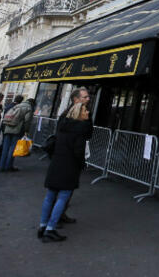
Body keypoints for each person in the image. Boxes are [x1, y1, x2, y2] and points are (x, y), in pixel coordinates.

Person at [38, 89, 93, 242]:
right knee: (63, 197)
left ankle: (43, 225)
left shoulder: (63, 125)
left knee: (50, 196)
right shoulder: (80, 130)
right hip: (69, 165)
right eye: (85, 97)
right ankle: (51, 227)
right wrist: (81, 163)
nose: (88, 114)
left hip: (57, 162)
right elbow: (79, 151)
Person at [0, 95, 34, 172]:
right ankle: (8, 166)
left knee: (5, 148)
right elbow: (27, 121)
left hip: (8, 128)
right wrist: (26, 130)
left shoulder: (17, 105)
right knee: (12, 149)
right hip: (17, 129)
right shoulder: (28, 108)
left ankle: (1, 166)